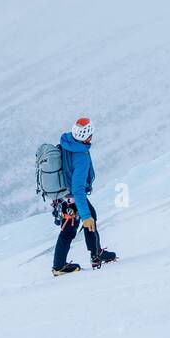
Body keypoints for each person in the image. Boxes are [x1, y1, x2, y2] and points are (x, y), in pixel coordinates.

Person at [52, 117, 117, 276]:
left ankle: (96, 253)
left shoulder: (67, 141)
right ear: (87, 136)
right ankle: (59, 266)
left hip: (63, 196)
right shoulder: (81, 157)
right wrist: (85, 215)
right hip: (72, 198)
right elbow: (78, 189)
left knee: (91, 217)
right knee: (73, 229)